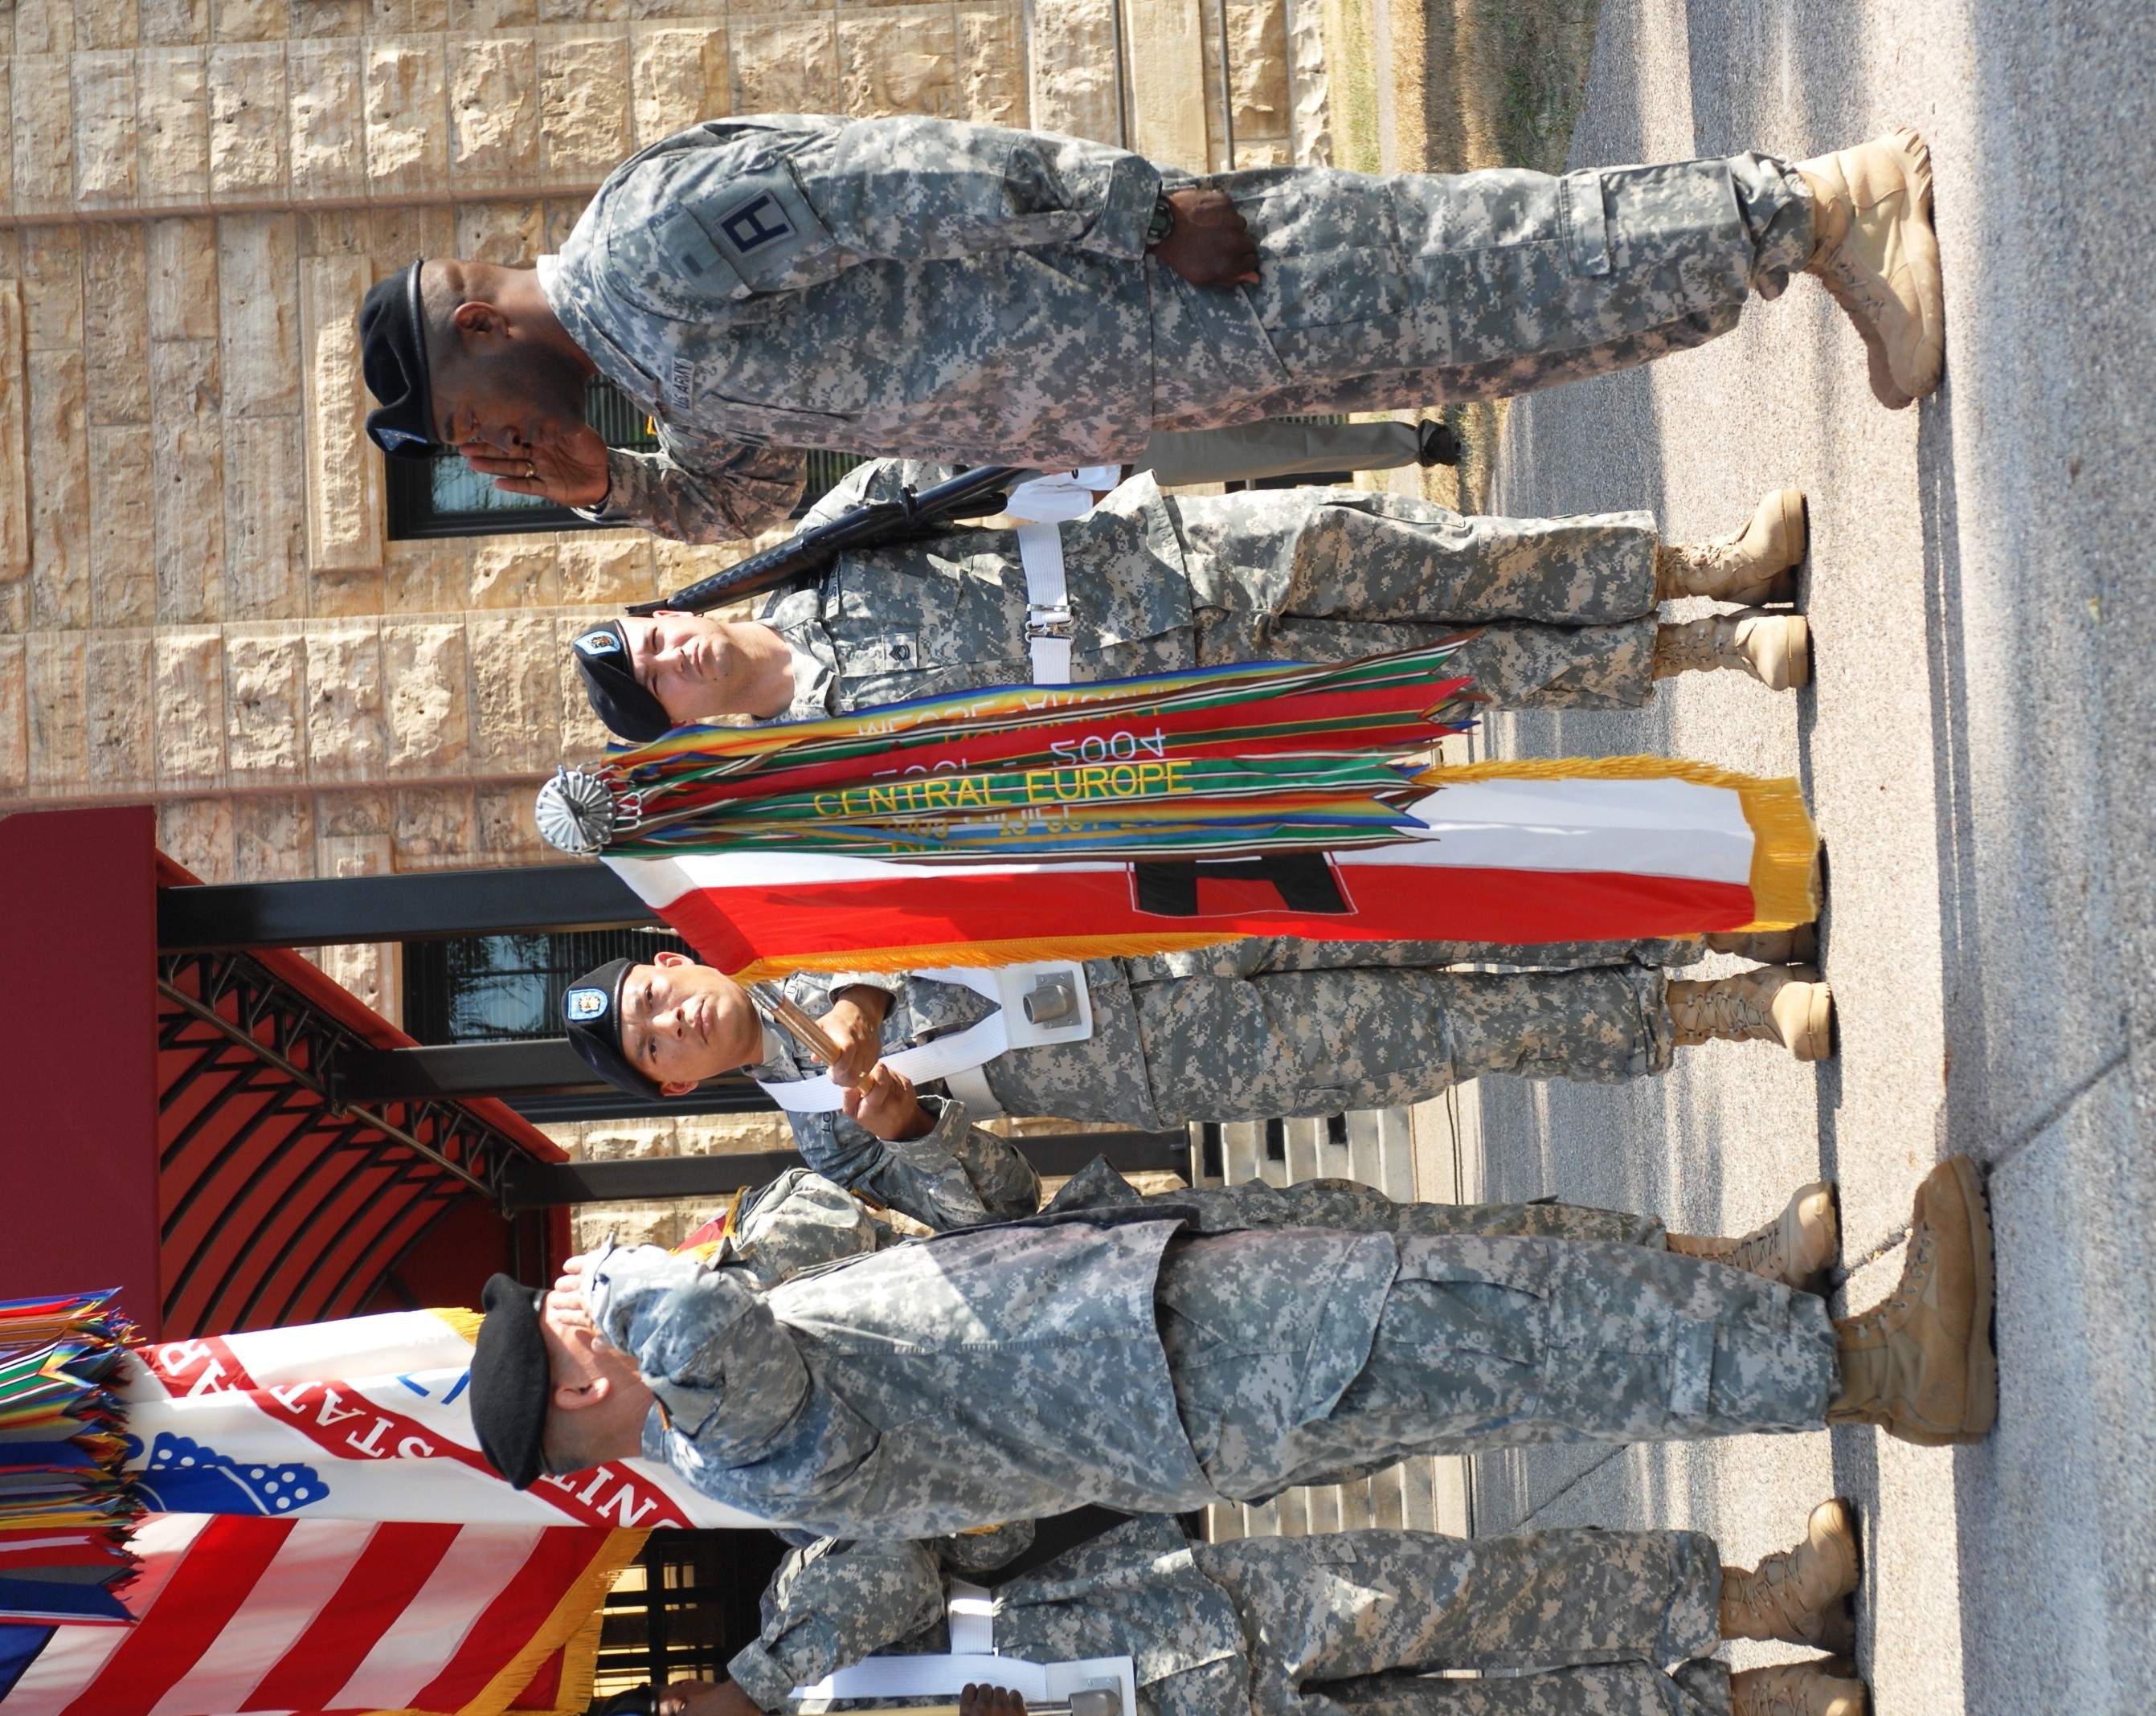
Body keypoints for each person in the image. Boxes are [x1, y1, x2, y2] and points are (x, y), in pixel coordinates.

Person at [356, 116, 1941, 543]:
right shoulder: (644, 370)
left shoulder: (641, 246)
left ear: (479, 320)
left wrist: (1132, 208)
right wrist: (615, 490)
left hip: (1159, 281)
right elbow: (756, 495)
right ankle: (1793, 244)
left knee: (1479, 266)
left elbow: (891, 178)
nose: (485, 451)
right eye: (467, 453)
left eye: (466, 417)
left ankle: (1820, 204)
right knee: (1495, 345)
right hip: (1165, 370)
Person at [463, 1154, 1994, 1538]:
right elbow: (712, 1319)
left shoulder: (720, 1418)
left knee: (1519, 1329)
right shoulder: (731, 1435)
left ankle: (1843, 1364)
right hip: (1191, 1367)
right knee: (1519, 1319)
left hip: (1170, 1328)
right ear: (581, 1378)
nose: (583, 1302)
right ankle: (1876, 1370)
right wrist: (625, 1272)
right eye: (567, 1320)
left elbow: (867, 1243)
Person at [552, 936, 1834, 1232]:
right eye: (655, 1046)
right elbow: (996, 1207)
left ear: (671, 962)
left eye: (655, 999)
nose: (673, 1022)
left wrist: (860, 993)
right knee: (1454, 1032)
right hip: (1171, 1059)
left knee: (1442, 904)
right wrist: (917, 1130)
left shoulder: (785, 906)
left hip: (1157, 913)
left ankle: (1707, 923)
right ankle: (1719, 1012)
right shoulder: (826, 1144)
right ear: (673, 1089)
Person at [567, 462, 1812, 744]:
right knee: (1452, 672)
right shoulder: (821, 759)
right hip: (1184, 697)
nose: (672, 652)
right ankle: (1714, 650)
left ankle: (1703, 566)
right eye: (657, 677)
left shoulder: (816, 553)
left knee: (1448, 560)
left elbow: (954, 461)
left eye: (653, 632)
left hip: (1168, 561)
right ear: (681, 719)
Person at [604, 1499, 1870, 1716]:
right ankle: (1750, 1700)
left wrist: (760, 1683)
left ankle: (1760, 1598)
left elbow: (895, 1559)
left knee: (1478, 1590)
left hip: (1196, 1614)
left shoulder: (793, 1623)